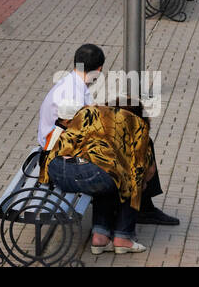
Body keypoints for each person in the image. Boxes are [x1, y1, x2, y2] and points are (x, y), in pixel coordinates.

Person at [34, 44, 181, 228]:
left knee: (140, 143)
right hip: (61, 156)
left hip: (62, 149)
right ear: (99, 70)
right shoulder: (73, 94)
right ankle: (138, 212)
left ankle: (142, 207)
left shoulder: (72, 84)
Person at [39, 104, 154, 254]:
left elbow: (65, 141)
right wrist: (142, 183)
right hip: (93, 174)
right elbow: (145, 170)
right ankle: (122, 238)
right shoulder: (138, 124)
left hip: (57, 170)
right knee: (129, 180)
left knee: (107, 176)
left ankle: (100, 238)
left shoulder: (90, 110)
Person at [36, 43, 102, 150]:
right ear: (99, 70)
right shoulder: (74, 95)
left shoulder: (72, 81)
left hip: (52, 139)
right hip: (55, 147)